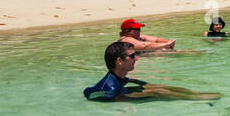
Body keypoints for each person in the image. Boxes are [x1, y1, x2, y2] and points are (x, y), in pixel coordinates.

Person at [85, 41, 220, 101]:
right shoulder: (110, 87)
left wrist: (148, 85)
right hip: (114, 94)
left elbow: (131, 81)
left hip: (120, 88)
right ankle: (197, 99)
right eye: (132, 56)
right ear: (119, 61)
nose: (136, 58)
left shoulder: (120, 78)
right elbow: (91, 93)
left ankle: (197, 94)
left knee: (160, 87)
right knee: (157, 93)